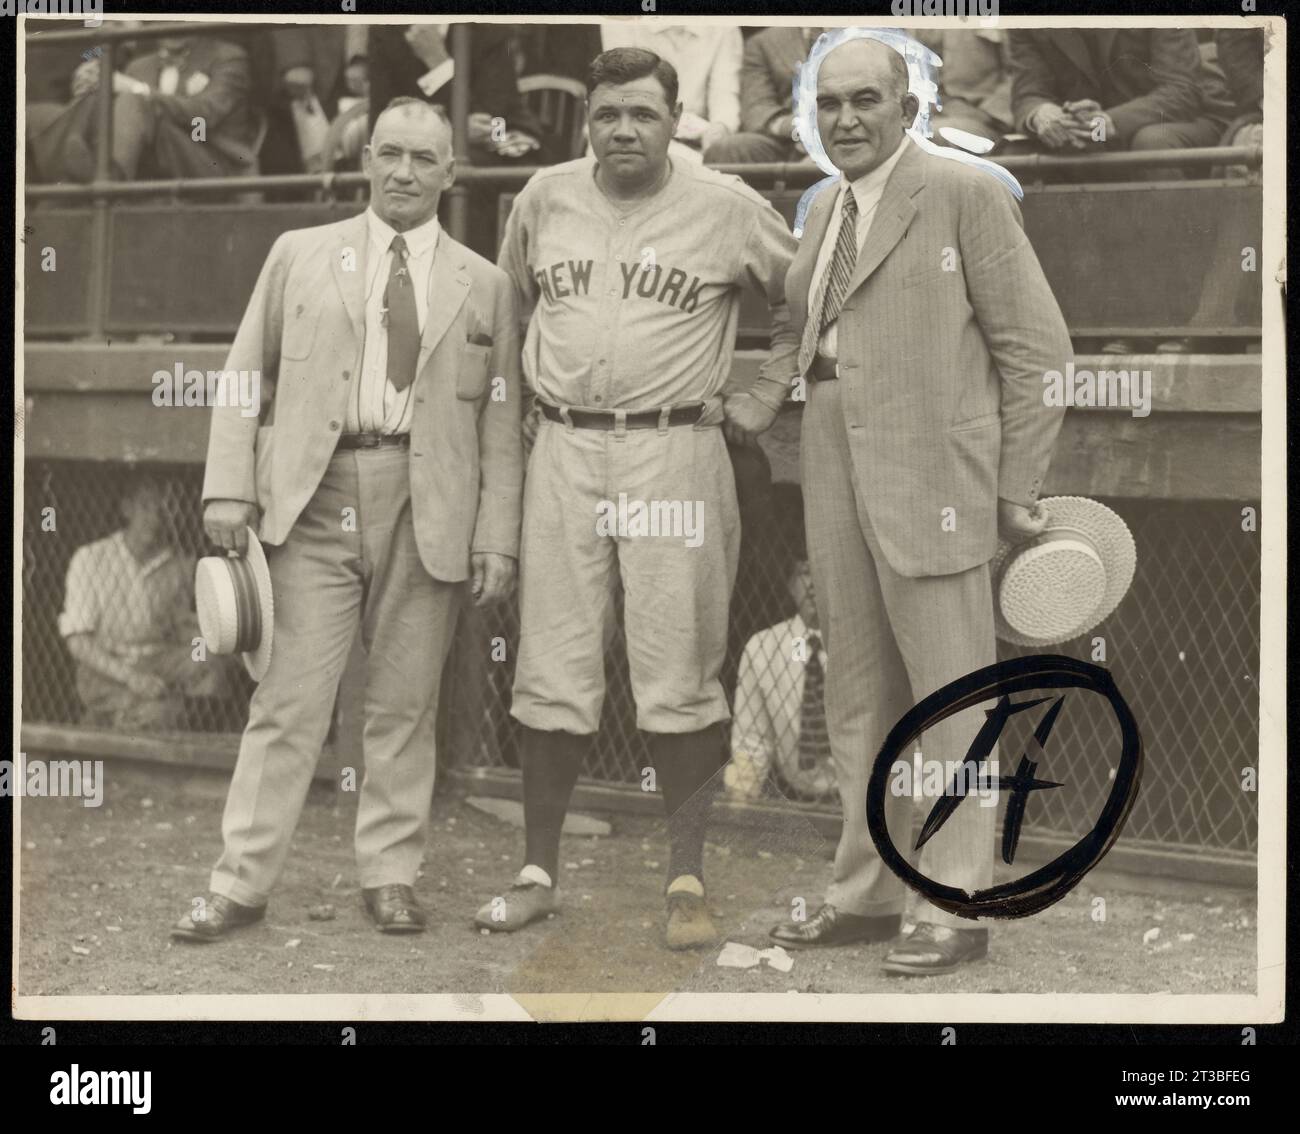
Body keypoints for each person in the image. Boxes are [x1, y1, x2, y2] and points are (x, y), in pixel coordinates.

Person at [171, 98, 523, 943]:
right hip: (311, 496)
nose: (405, 172)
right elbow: (241, 376)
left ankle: (392, 875)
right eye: (390, 154)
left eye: (424, 159)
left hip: (428, 498)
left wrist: (496, 536)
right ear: (367, 159)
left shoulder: (486, 283)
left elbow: (500, 422)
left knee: (404, 704)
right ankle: (240, 884)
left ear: (451, 171)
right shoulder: (297, 254)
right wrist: (228, 488)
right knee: (288, 700)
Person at [475, 46, 799, 950]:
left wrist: (770, 389)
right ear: (588, 119)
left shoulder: (725, 206)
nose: (625, 129)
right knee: (553, 662)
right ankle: (538, 870)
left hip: (675, 448)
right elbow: (512, 310)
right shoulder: (544, 197)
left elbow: (809, 293)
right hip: (565, 447)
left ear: (674, 119)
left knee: (678, 666)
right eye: (609, 113)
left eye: (644, 115)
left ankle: (686, 876)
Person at [764, 36, 1070, 975]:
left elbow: (1040, 352)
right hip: (836, 469)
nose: (847, 119)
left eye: (867, 100)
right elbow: (802, 332)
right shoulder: (823, 208)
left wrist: (1015, 485)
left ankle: (954, 904)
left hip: (938, 482)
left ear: (909, 106)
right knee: (859, 696)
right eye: (830, 103)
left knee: (951, 702)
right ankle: (866, 892)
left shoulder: (967, 191)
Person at [59, 471, 232, 732]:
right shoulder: (91, 558)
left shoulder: (179, 564)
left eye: (164, 510)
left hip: (159, 658)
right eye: (146, 506)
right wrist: (132, 678)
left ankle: (166, 714)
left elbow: (183, 628)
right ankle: (116, 720)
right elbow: (78, 643)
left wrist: (205, 641)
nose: (155, 519)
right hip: (108, 666)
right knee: (160, 713)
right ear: (127, 508)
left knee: (211, 662)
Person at [30, 33, 259, 184]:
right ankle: (76, 164)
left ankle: (111, 180)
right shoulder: (140, 65)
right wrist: (93, 86)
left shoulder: (228, 57)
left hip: (212, 161)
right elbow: (124, 122)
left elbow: (203, 115)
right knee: (33, 115)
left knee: (133, 100)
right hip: (153, 159)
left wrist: (137, 89)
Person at [725, 553, 837, 803]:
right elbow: (751, 740)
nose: (813, 582)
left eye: (823, 569)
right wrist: (740, 803)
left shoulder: (866, 646)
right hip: (794, 797)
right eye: (805, 572)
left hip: (865, 800)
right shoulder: (764, 647)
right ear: (790, 584)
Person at [1009, 28, 1233, 154]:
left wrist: (1110, 121)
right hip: (1090, 131)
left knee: (1152, 144)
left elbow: (1182, 91)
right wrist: (1041, 114)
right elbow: (1028, 92)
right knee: (1016, 154)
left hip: (1187, 118)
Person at [600, 24, 742, 162]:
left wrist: (720, 127)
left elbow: (725, 92)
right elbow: (625, 92)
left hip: (698, 143)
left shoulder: (724, 27)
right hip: (631, 133)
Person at [702, 26, 822, 164]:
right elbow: (757, 110)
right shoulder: (763, 42)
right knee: (729, 149)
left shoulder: (850, 33)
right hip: (789, 140)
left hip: (843, 131)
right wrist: (799, 128)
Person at [914, 28, 1013, 148]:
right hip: (933, 114)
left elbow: (1020, 74)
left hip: (985, 119)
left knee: (925, 136)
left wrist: (989, 115)